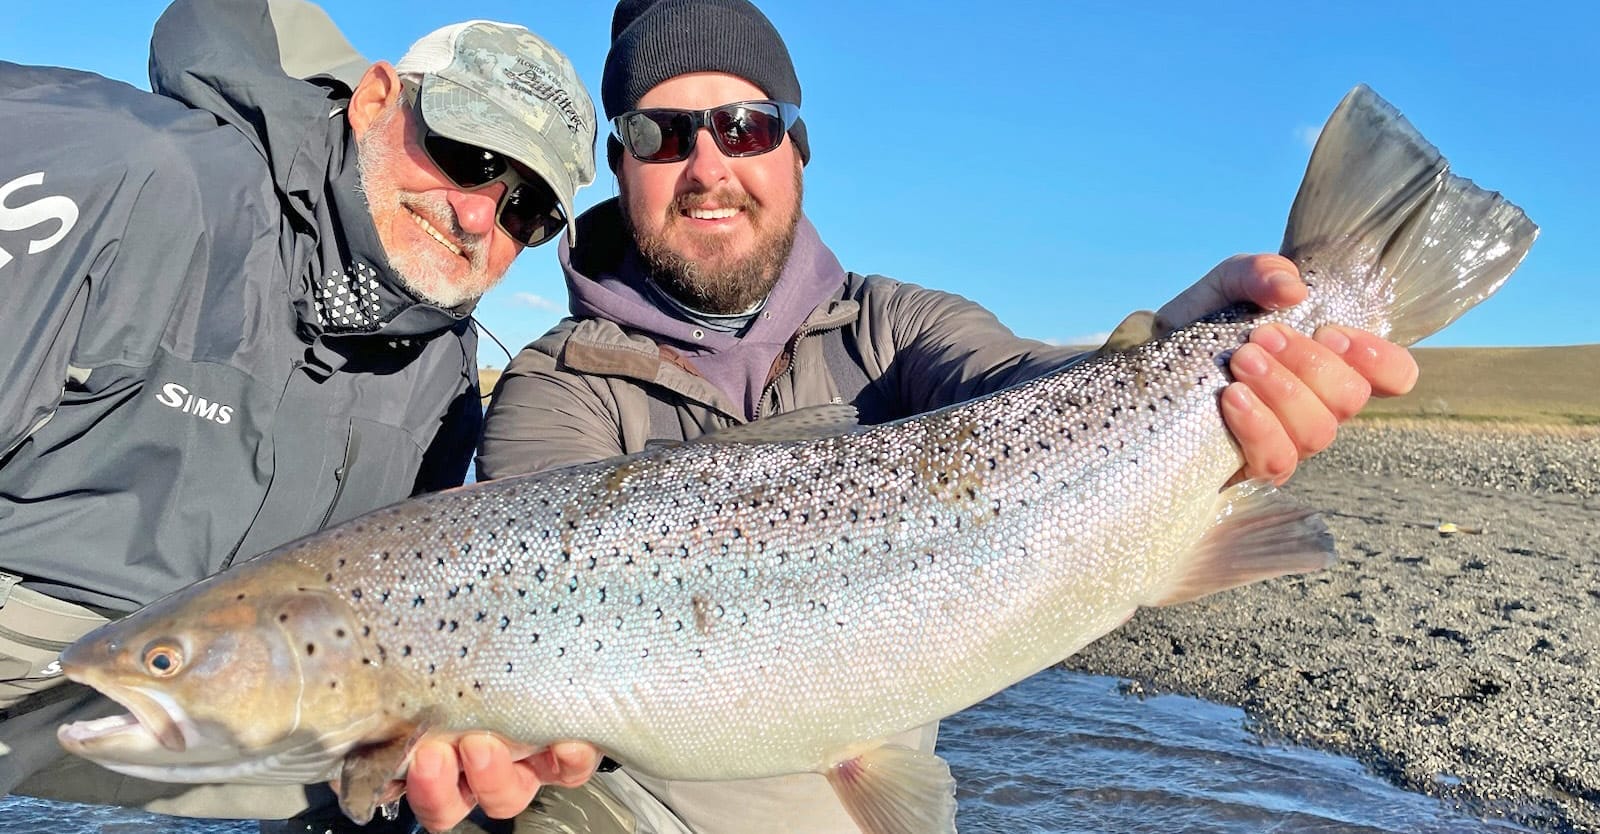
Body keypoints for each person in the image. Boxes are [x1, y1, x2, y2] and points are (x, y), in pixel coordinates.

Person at [413, 0, 1423, 831]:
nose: (708, 165)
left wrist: (1183, 358)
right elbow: (517, 615)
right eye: (658, 135)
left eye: (745, 126)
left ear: (796, 152)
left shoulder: (901, 326)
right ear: (621, 169)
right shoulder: (556, 383)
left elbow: (1025, 389)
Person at [0, 1, 601, 831]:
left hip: (249, 725)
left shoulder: (447, 376)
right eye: (468, 155)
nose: (476, 217)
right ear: (376, 99)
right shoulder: (134, 180)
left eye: (523, 209)